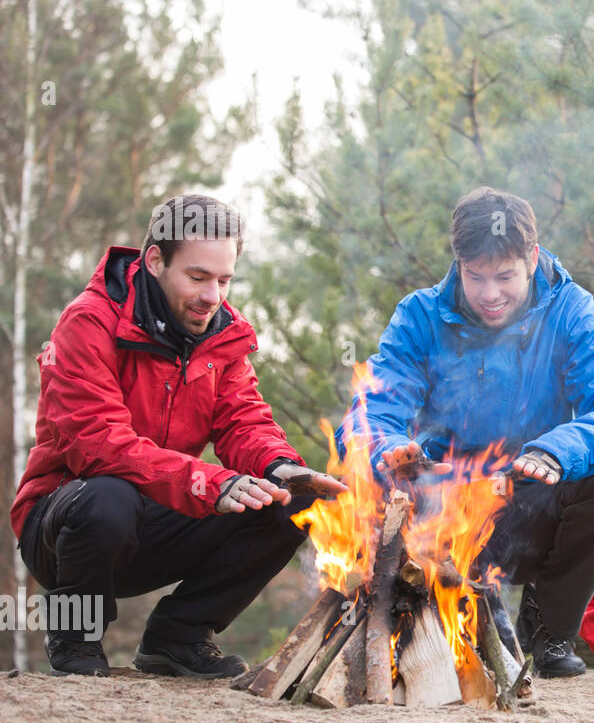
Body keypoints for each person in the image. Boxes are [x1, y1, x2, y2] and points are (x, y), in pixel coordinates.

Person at [10, 195, 344, 679]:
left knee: (289, 502)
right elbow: (98, 445)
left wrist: (279, 467)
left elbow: (243, 421)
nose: (213, 296)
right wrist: (212, 483)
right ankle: (74, 635)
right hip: (64, 527)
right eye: (198, 277)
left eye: (224, 280)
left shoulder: (221, 334)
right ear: (155, 261)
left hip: (156, 517)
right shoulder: (87, 322)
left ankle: (178, 637)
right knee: (108, 496)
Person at [342, 186, 594, 678]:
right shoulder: (420, 315)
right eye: (476, 277)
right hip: (446, 508)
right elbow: (371, 410)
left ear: (531, 257)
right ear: (457, 262)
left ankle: (548, 632)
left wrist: (555, 451)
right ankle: (431, 622)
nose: (489, 295)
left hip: (534, 499)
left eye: (504, 277)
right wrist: (392, 446)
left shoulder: (571, 311)